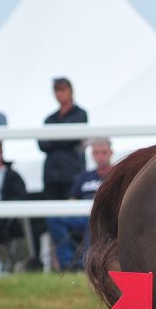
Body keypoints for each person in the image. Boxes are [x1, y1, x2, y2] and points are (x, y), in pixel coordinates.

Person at [40, 77, 89, 270]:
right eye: (57, 90)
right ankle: (64, 261)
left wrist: (54, 140)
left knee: (76, 217)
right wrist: (61, 140)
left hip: (72, 175)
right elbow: (42, 143)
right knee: (53, 218)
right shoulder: (50, 118)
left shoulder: (80, 114)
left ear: (71, 91)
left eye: (63, 90)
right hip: (52, 176)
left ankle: (80, 260)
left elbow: (70, 137)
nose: (60, 94)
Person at [68, 138, 115, 270]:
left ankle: (85, 263)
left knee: (94, 221)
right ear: (92, 155)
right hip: (81, 216)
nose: (100, 157)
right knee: (55, 219)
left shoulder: (117, 173)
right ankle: (66, 263)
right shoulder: (84, 176)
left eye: (104, 152)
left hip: (106, 217)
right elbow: (72, 198)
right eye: (96, 153)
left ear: (111, 153)